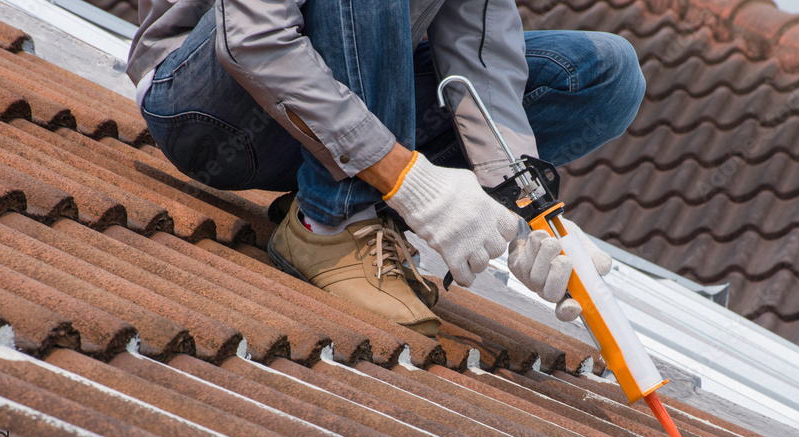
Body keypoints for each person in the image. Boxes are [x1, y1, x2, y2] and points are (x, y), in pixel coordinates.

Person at [127, 0, 646, 337]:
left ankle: (360, 193)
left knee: (606, 73)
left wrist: (525, 207)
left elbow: (480, 58)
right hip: (212, 114)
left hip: (330, 123)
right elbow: (255, 40)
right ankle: (334, 222)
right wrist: (408, 180)